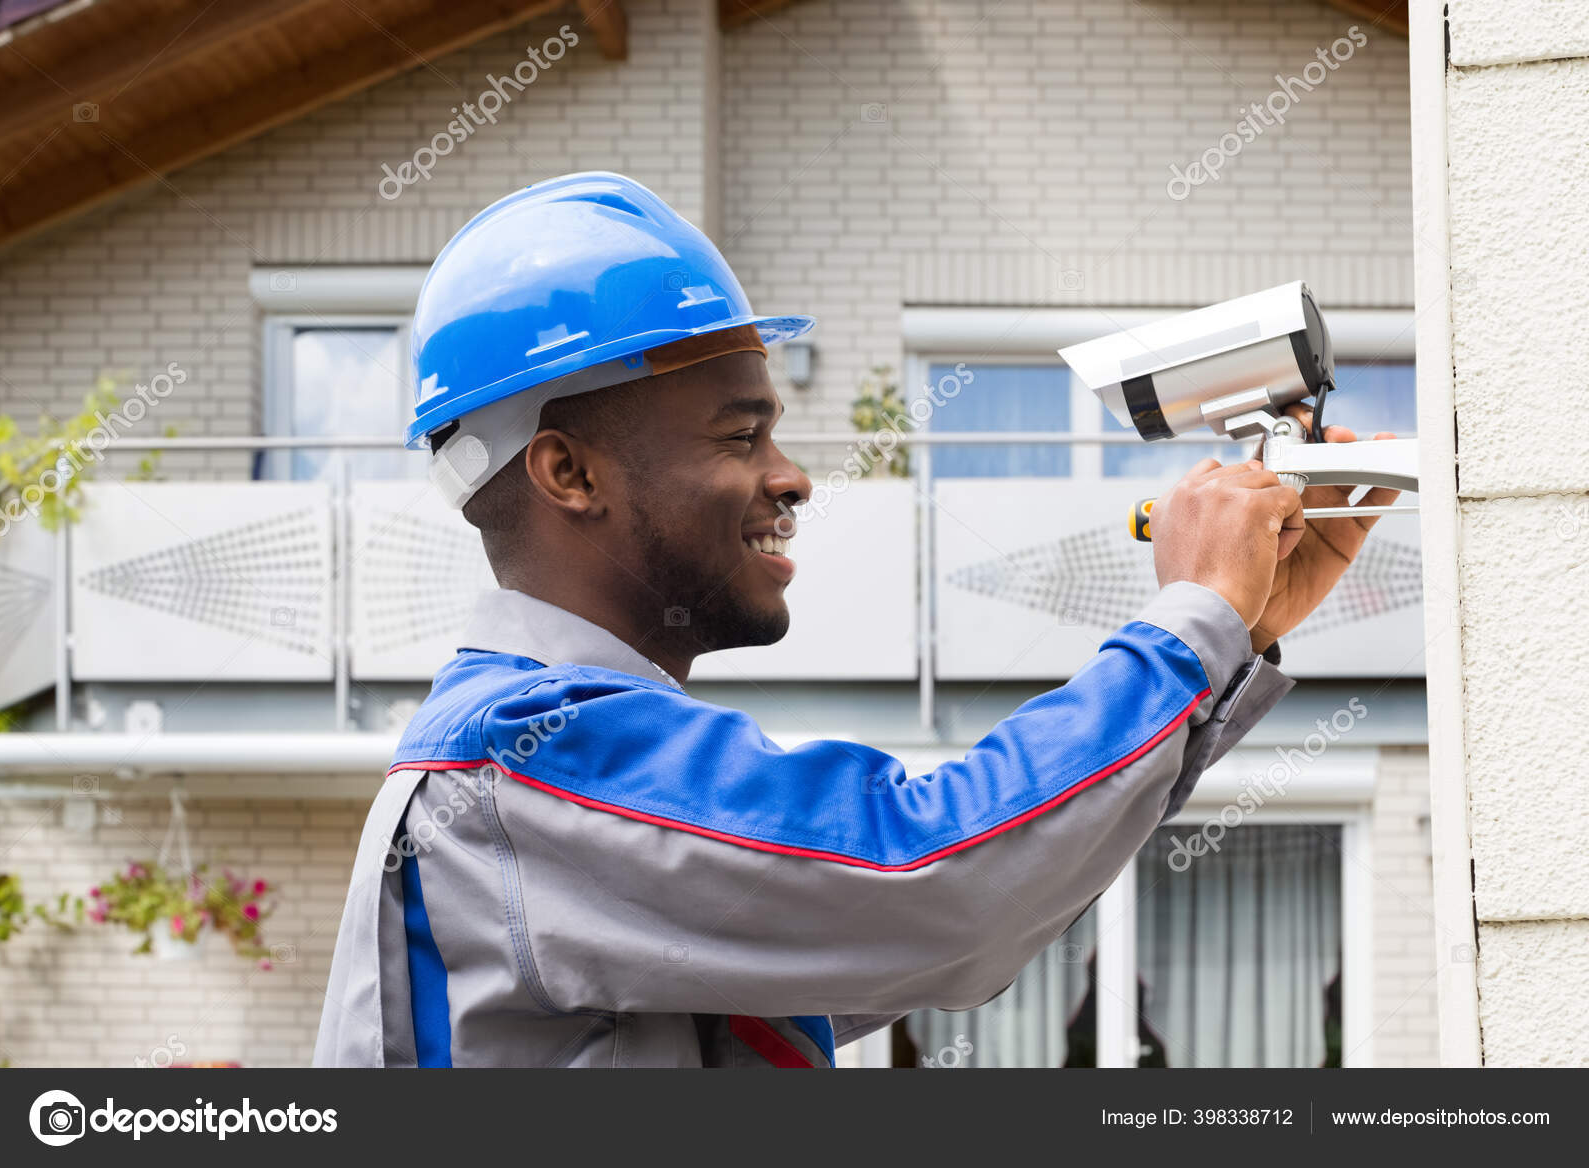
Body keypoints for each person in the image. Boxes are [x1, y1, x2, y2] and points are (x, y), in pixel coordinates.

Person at [314, 172, 1398, 1068]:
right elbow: (931, 873)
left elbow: (944, 918)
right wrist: (1190, 622)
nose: (791, 478)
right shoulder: (528, 754)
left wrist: (1232, 635)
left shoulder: (555, 758)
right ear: (567, 471)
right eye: (741, 436)